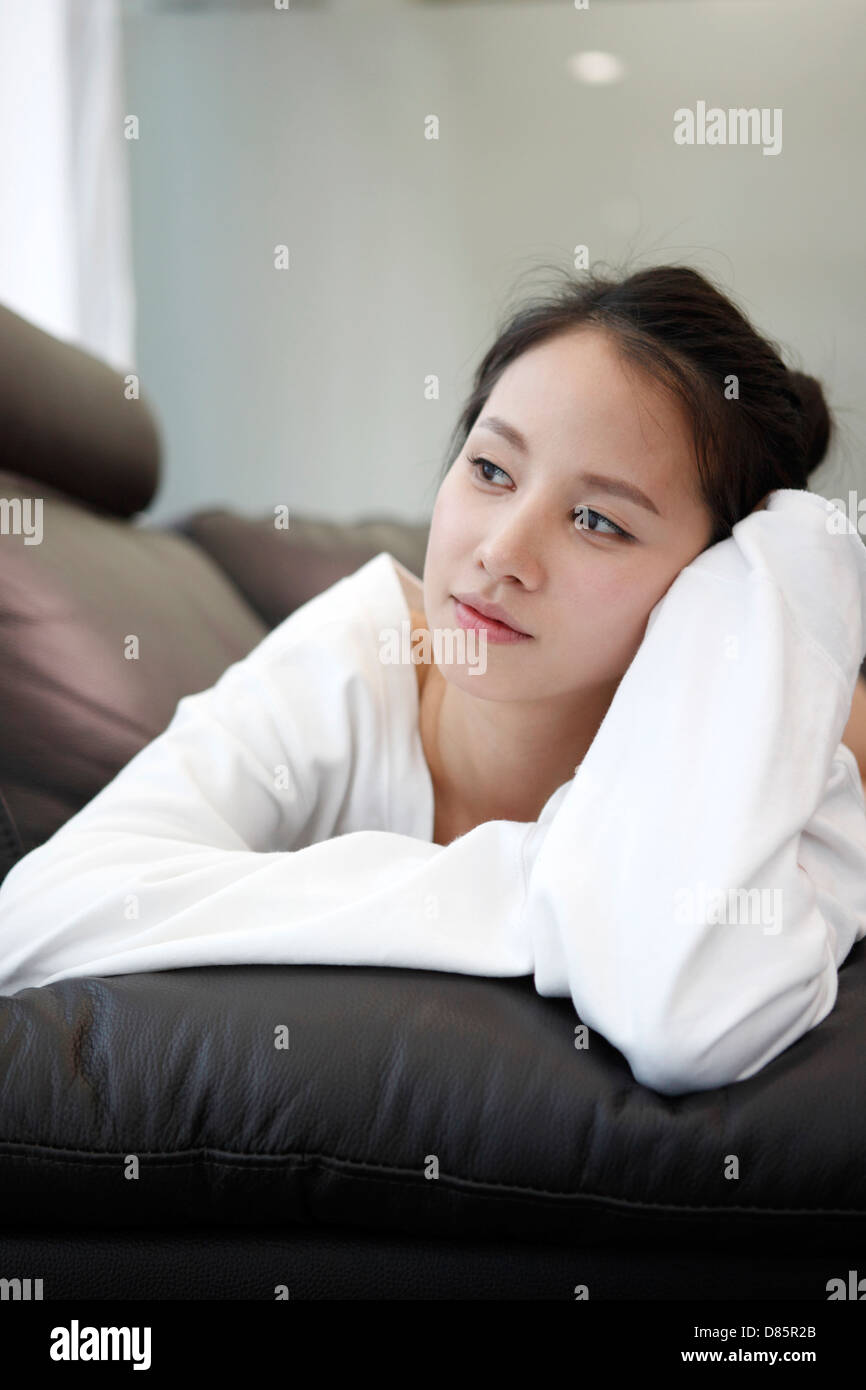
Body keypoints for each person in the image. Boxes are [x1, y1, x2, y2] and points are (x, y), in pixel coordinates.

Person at [1, 261, 865, 1100]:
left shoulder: (801, 747)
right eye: (491, 470)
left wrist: (796, 552)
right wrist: (554, 897)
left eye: (598, 520)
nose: (500, 551)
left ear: (711, 589)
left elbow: (698, 1011)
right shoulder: (360, 656)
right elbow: (37, 919)